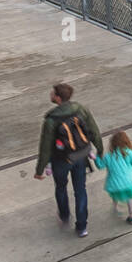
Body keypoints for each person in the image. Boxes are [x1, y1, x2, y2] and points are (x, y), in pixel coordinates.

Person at [33, 83, 103, 238]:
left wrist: (39, 170)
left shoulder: (51, 120)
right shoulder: (81, 109)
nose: (50, 95)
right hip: (81, 156)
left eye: (52, 93)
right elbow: (94, 131)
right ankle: (82, 227)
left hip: (61, 160)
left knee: (61, 187)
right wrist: (100, 149)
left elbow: (45, 147)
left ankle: (64, 216)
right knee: (80, 190)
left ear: (58, 97)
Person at [96, 131, 132, 225]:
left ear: (112, 144)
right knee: (130, 198)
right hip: (130, 182)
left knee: (115, 195)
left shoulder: (108, 157)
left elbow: (100, 165)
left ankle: (115, 208)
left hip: (115, 184)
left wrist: (96, 157)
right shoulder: (129, 153)